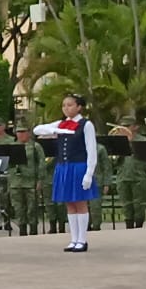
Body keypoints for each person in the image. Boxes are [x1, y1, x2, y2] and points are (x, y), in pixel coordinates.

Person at [34, 93, 99, 253]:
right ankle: (73, 239)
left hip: (78, 166)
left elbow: (91, 150)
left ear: (78, 107)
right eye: (64, 105)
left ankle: (82, 239)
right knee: (69, 203)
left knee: (80, 202)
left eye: (70, 105)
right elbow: (37, 130)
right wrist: (56, 129)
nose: (66, 108)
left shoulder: (86, 124)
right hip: (64, 167)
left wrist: (89, 173)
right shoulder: (62, 123)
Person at [8, 123, 45, 236]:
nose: (21, 134)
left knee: (32, 207)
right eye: (19, 132)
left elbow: (42, 164)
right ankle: (22, 230)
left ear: (28, 133)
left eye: (23, 132)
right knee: (18, 208)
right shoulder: (12, 146)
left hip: (30, 182)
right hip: (16, 182)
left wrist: (40, 180)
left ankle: (33, 229)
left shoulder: (35, 146)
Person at [115, 118, 146, 229]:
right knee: (126, 204)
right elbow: (113, 161)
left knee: (139, 204)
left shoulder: (143, 140)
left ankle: (139, 226)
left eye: (128, 126)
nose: (125, 128)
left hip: (138, 176)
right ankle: (128, 226)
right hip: (123, 176)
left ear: (135, 127)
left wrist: (131, 143)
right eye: (123, 126)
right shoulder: (118, 141)